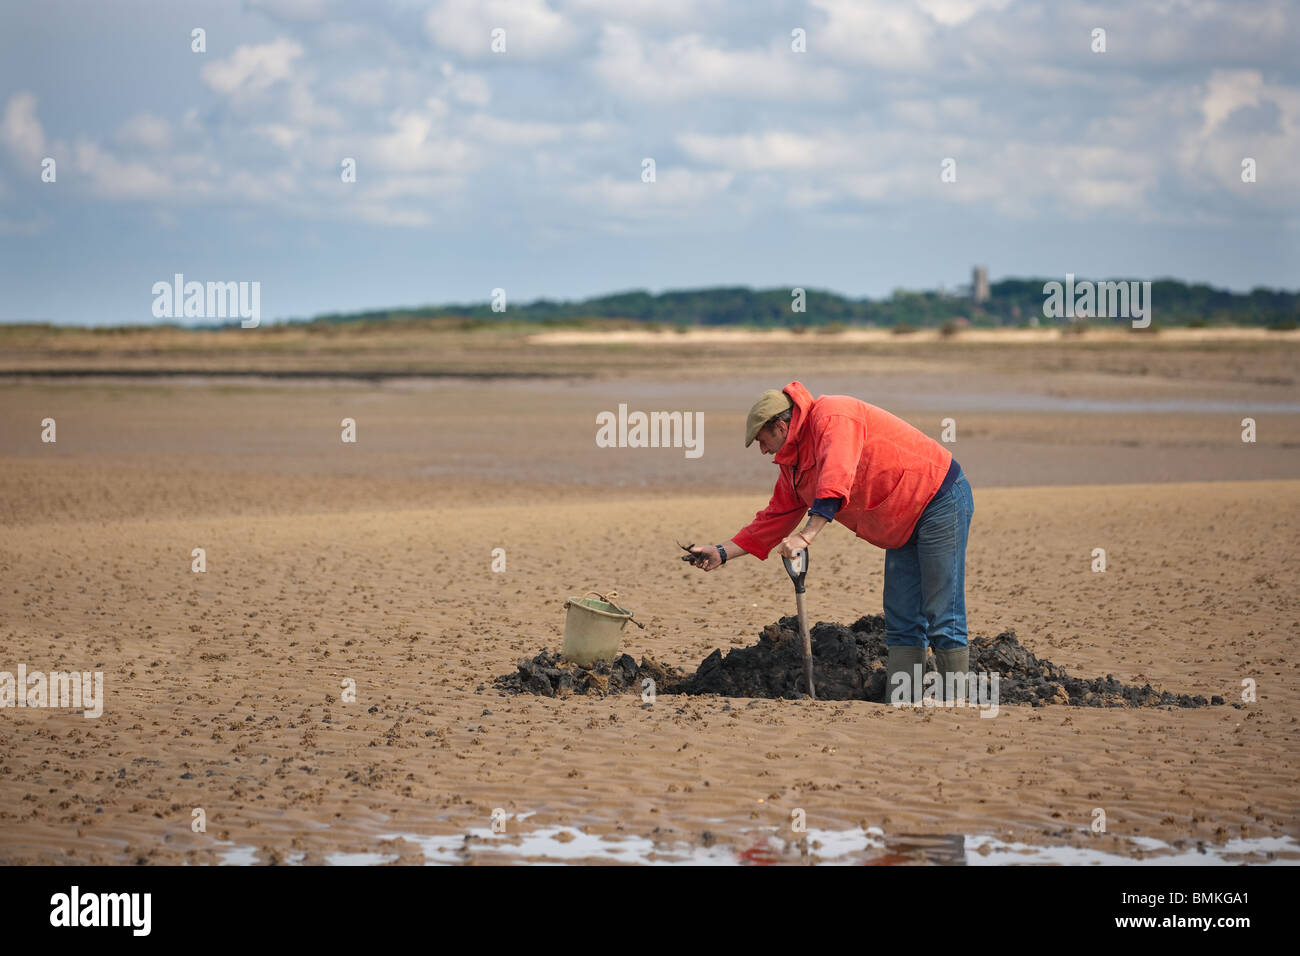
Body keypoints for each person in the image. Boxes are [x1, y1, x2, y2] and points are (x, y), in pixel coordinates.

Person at [686, 381, 974, 701]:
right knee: (902, 616)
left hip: (937, 499)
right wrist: (722, 552)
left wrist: (806, 536)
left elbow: (836, 478)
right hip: (899, 521)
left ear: (780, 426)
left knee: (940, 611)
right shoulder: (793, 463)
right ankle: (905, 700)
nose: (763, 450)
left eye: (762, 440)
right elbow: (775, 516)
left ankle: (955, 704)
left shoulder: (833, 417)